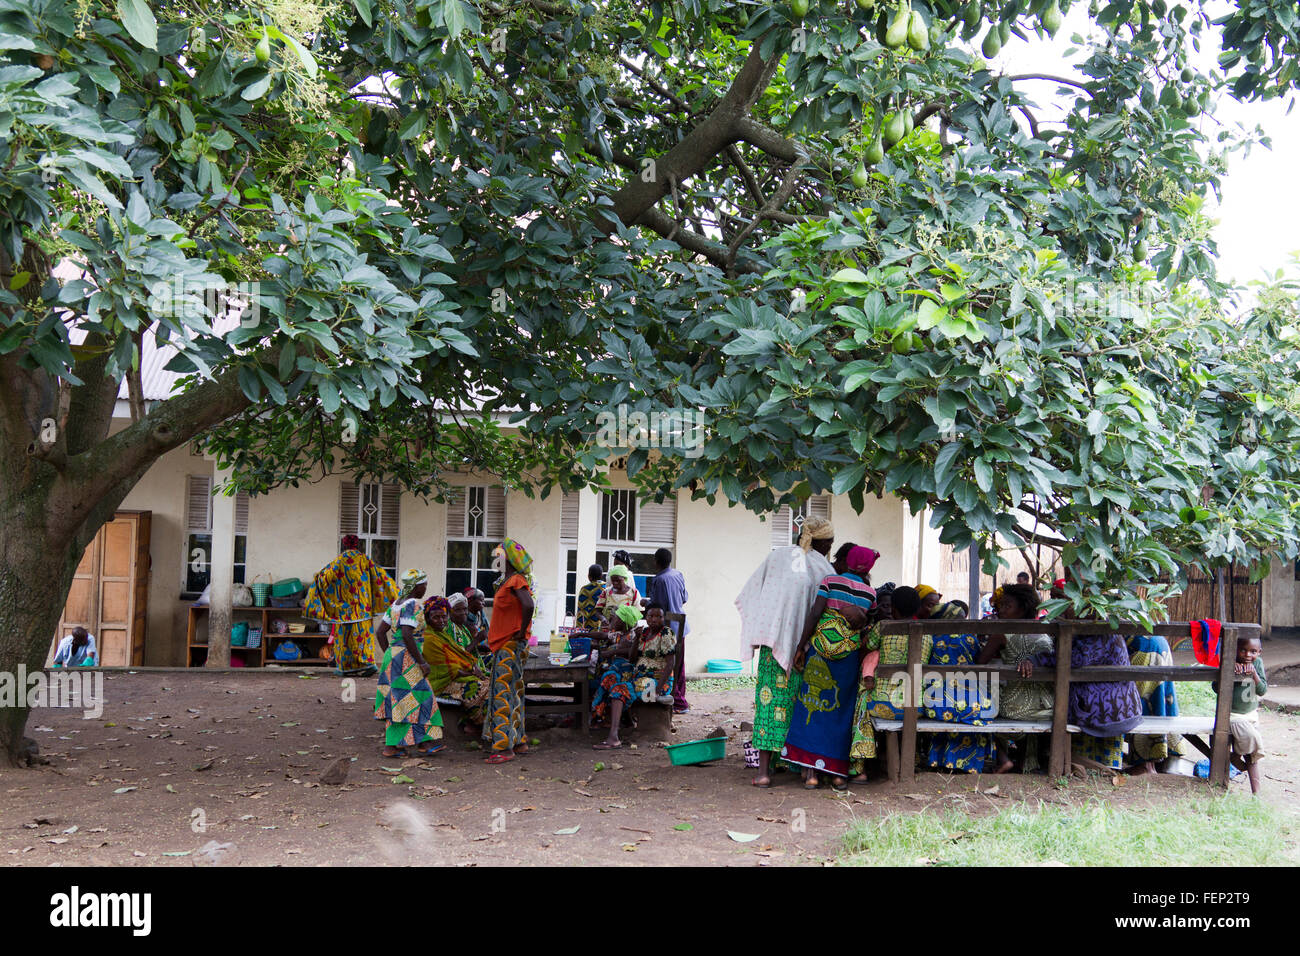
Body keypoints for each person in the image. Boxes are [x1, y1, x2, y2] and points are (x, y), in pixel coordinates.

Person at [735, 515, 836, 788]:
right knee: (800, 708)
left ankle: (764, 773)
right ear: (824, 542)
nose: (830, 548)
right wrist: (803, 644)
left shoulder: (777, 556)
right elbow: (825, 613)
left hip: (772, 646)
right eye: (830, 542)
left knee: (769, 705)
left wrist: (764, 628)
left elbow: (751, 593)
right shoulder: (825, 568)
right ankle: (803, 769)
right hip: (807, 649)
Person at [782, 545, 879, 790]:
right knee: (839, 712)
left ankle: (811, 774)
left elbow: (815, 614)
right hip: (848, 658)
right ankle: (838, 774)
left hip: (819, 654)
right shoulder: (870, 594)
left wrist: (800, 646)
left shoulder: (830, 581)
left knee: (811, 707)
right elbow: (867, 627)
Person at [1019, 631, 1142, 771]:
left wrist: (1036, 660)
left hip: (1111, 713)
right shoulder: (1100, 628)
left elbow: (1074, 659)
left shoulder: (1100, 633)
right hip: (1123, 709)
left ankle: (1055, 759)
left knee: (1055, 711)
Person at [849, 585, 927, 780]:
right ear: (918, 608)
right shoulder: (927, 634)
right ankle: (912, 759)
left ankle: (860, 767)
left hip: (885, 705)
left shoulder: (883, 628)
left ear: (894, 609)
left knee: (863, 696)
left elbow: (867, 647)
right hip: (917, 706)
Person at [978, 584, 1054, 773]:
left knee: (987, 696)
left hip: (1015, 708)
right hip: (1048, 706)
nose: (1001, 610)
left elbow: (979, 663)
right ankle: (1023, 759)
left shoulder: (1002, 633)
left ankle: (1003, 758)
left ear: (1023, 608)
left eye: (1007, 606)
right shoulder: (1046, 635)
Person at [303, 533, 398, 676]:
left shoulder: (340, 561)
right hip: (363, 609)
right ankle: (368, 664)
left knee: (345, 641)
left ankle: (346, 669)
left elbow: (325, 578)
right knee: (363, 638)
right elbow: (380, 577)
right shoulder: (364, 560)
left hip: (344, 611)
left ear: (344, 545)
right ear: (357, 544)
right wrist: (394, 594)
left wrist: (317, 579)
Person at [373, 570, 443, 757]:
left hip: (394, 656)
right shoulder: (412, 605)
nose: (425, 589)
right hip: (407, 659)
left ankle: (394, 746)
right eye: (424, 585)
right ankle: (424, 743)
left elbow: (380, 632)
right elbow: (406, 633)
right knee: (423, 697)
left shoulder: (396, 605)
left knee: (400, 701)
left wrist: (392, 652)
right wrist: (421, 662)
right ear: (416, 586)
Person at [921, 601, 995, 773]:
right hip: (972, 705)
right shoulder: (969, 638)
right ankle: (969, 765)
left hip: (937, 704)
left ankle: (941, 762)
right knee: (977, 708)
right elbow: (979, 660)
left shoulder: (931, 638)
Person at [592, 605, 678, 749]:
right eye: (651, 616)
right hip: (639, 677)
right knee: (610, 678)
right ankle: (601, 719)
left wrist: (657, 690)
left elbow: (670, 664)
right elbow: (632, 659)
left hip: (657, 682)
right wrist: (637, 638)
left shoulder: (666, 634)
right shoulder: (644, 633)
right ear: (646, 618)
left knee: (619, 689)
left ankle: (613, 737)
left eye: (659, 617)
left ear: (663, 619)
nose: (654, 620)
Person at [483, 538, 535, 764]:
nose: (496, 560)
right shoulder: (507, 581)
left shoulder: (515, 579)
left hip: (510, 645)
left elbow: (529, 605)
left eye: (499, 556)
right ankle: (518, 741)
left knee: (502, 693)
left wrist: (521, 630)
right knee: (514, 691)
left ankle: (503, 748)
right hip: (506, 644)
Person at [422, 595, 488, 733]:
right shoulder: (429, 639)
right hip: (441, 684)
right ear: (428, 619)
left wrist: (472, 668)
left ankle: (479, 724)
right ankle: (477, 724)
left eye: (443, 617)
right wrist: (472, 671)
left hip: (455, 677)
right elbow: (447, 669)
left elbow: (459, 656)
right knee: (480, 688)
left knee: (490, 684)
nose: (441, 621)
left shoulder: (442, 635)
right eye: (436, 617)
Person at [1126, 631, 1187, 775]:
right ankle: (1166, 760)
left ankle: (1145, 764)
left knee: (1142, 700)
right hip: (1158, 642)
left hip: (1142, 646)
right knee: (1158, 696)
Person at [1214, 635, 1267, 794]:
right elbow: (1216, 687)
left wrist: (1254, 674)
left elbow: (1262, 690)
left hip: (1251, 714)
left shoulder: (1257, 663)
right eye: (1243, 650)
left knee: (1251, 755)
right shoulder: (1229, 661)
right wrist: (1230, 671)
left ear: (1259, 652)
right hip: (1232, 716)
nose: (1247, 655)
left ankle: (1256, 794)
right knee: (1254, 739)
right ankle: (1236, 757)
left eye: (1253, 651)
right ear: (1235, 650)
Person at [646, 548, 690, 714]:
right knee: (679, 664)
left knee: (667, 665)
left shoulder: (658, 580)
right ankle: (680, 700)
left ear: (656, 562)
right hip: (681, 626)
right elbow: (684, 598)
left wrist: (646, 604)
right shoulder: (678, 575)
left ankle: (677, 700)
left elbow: (656, 608)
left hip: (668, 629)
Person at [576, 564, 606, 632]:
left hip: (588, 629)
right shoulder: (607, 588)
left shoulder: (584, 589)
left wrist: (578, 630)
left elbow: (582, 611)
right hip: (603, 626)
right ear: (601, 576)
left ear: (589, 576)